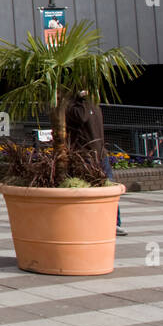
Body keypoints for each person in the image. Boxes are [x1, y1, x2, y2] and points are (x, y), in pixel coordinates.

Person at [68, 90, 125, 235]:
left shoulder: (92, 106)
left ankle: (114, 222)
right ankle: (95, 222)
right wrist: (83, 100)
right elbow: (82, 117)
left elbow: (85, 118)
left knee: (108, 188)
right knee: (92, 188)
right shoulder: (75, 109)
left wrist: (84, 100)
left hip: (97, 154)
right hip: (86, 155)